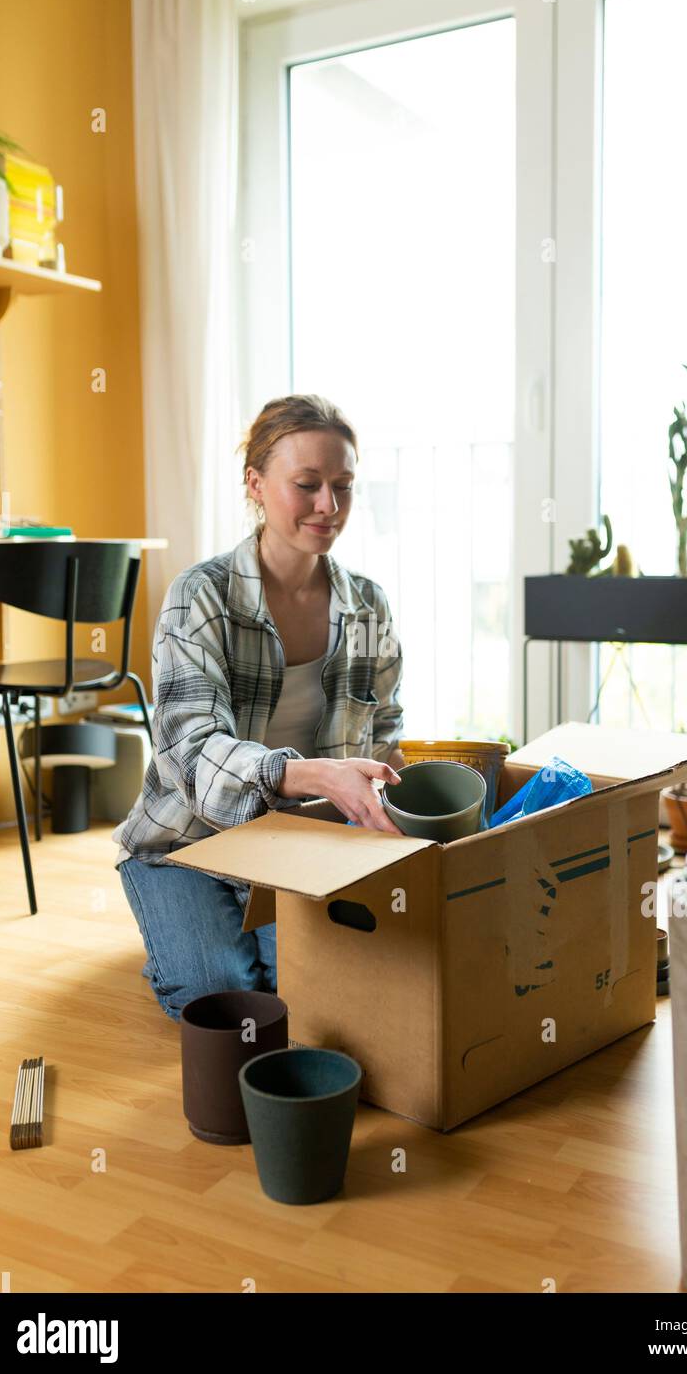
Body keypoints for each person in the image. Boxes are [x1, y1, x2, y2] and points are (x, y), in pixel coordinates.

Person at [114, 394, 406, 1021]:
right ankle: (182, 929)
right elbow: (190, 752)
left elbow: (385, 725)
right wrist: (305, 774)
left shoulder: (368, 607)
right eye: (307, 485)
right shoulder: (201, 596)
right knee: (226, 1001)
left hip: (303, 844)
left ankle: (243, 932)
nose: (329, 507)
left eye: (343, 487)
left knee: (312, 993)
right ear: (256, 483)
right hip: (187, 843)